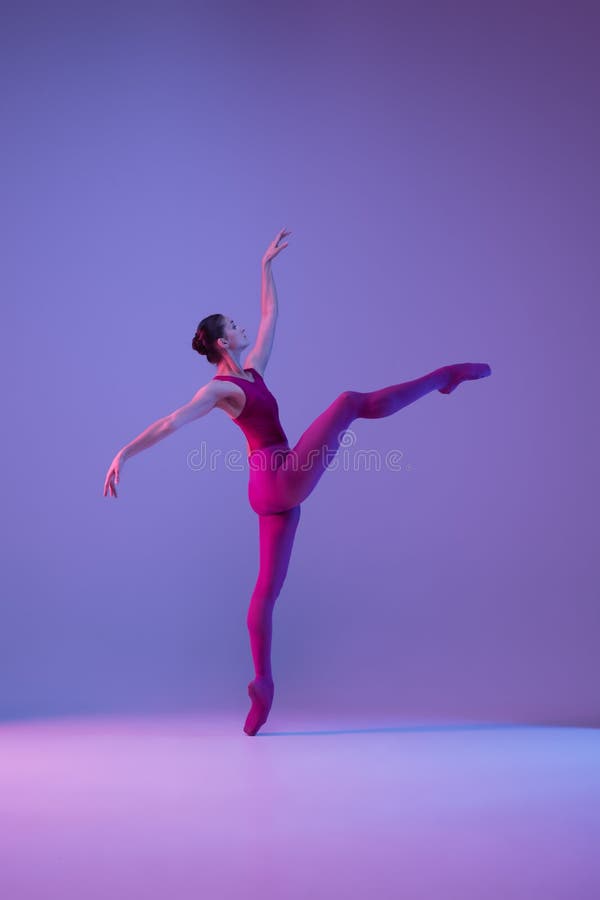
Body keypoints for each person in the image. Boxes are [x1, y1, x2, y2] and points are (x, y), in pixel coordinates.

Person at [103, 228, 492, 736]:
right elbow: (172, 421)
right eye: (235, 327)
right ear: (223, 342)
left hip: (276, 490)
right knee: (350, 402)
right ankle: (444, 376)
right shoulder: (220, 389)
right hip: (276, 477)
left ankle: (262, 687)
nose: (245, 327)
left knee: (267, 591)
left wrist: (265, 267)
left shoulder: (254, 373)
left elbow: (270, 317)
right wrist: (124, 454)